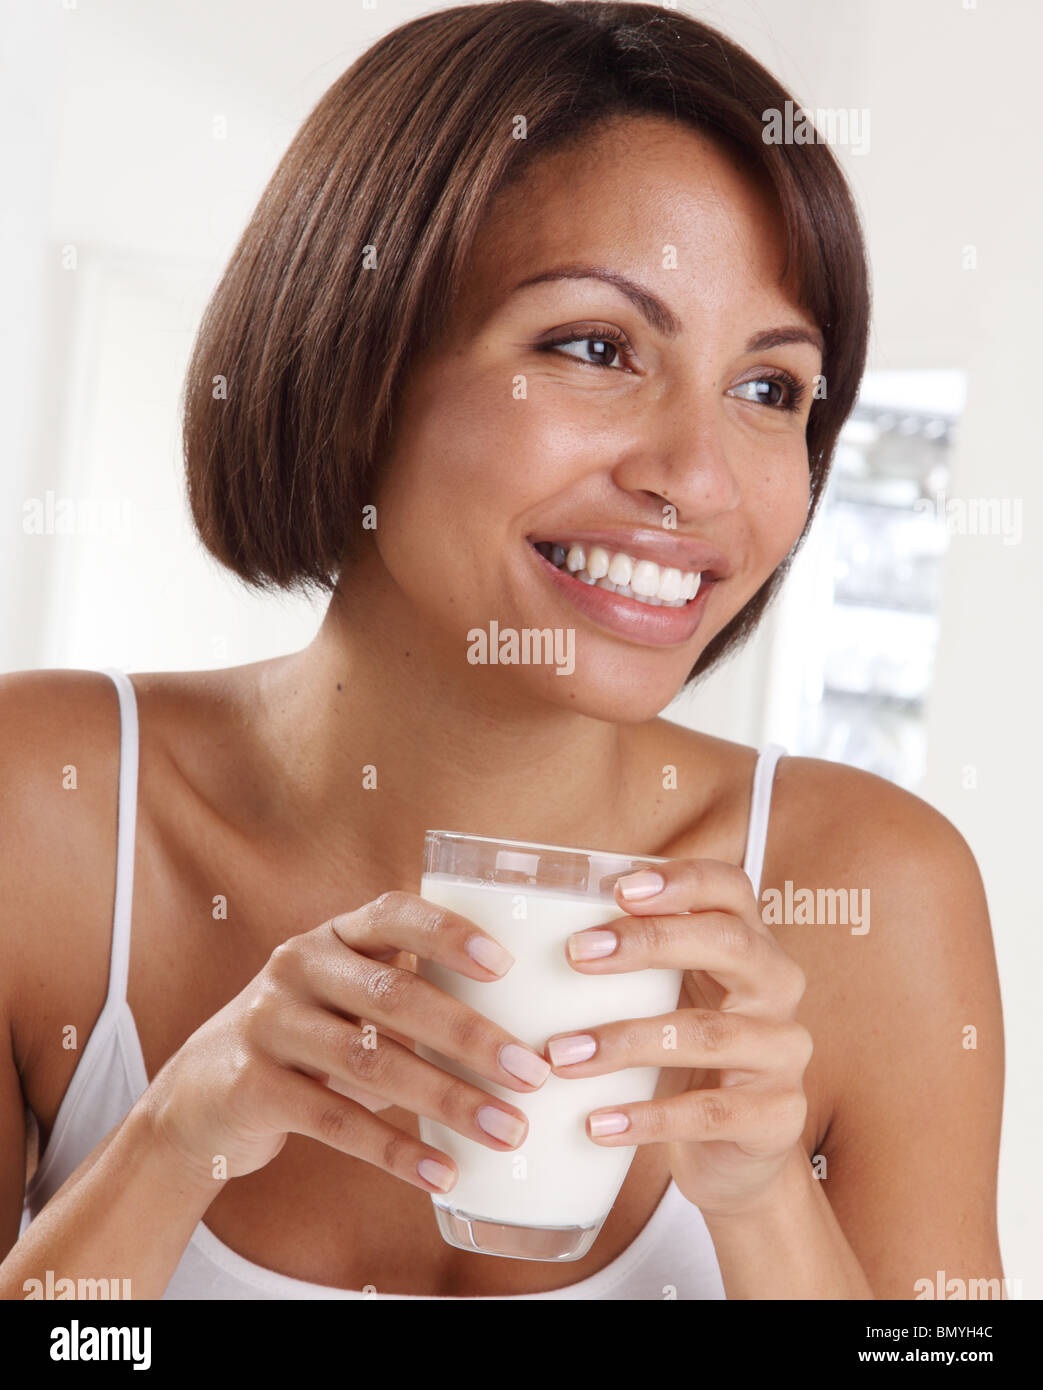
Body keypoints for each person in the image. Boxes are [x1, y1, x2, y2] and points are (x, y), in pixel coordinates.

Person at [0, 1, 1003, 1300]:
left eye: (770, 389)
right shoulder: (49, 814)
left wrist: (763, 1210)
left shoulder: (876, 893)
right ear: (358, 355)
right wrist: (173, 1140)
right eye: (594, 346)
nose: (698, 476)